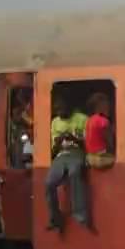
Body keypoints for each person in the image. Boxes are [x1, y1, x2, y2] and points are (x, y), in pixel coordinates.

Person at [45, 97, 92, 232]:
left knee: (74, 172)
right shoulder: (55, 123)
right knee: (49, 183)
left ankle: (80, 215)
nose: (60, 112)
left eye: (62, 109)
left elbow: (89, 145)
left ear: (69, 106)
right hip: (61, 155)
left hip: (77, 152)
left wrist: (74, 139)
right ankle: (55, 219)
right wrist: (59, 142)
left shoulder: (82, 119)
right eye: (57, 110)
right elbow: (53, 151)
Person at [84, 92, 115, 169]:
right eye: (106, 106)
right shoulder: (103, 121)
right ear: (99, 107)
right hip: (101, 159)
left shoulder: (89, 120)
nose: (109, 109)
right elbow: (110, 143)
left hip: (90, 158)